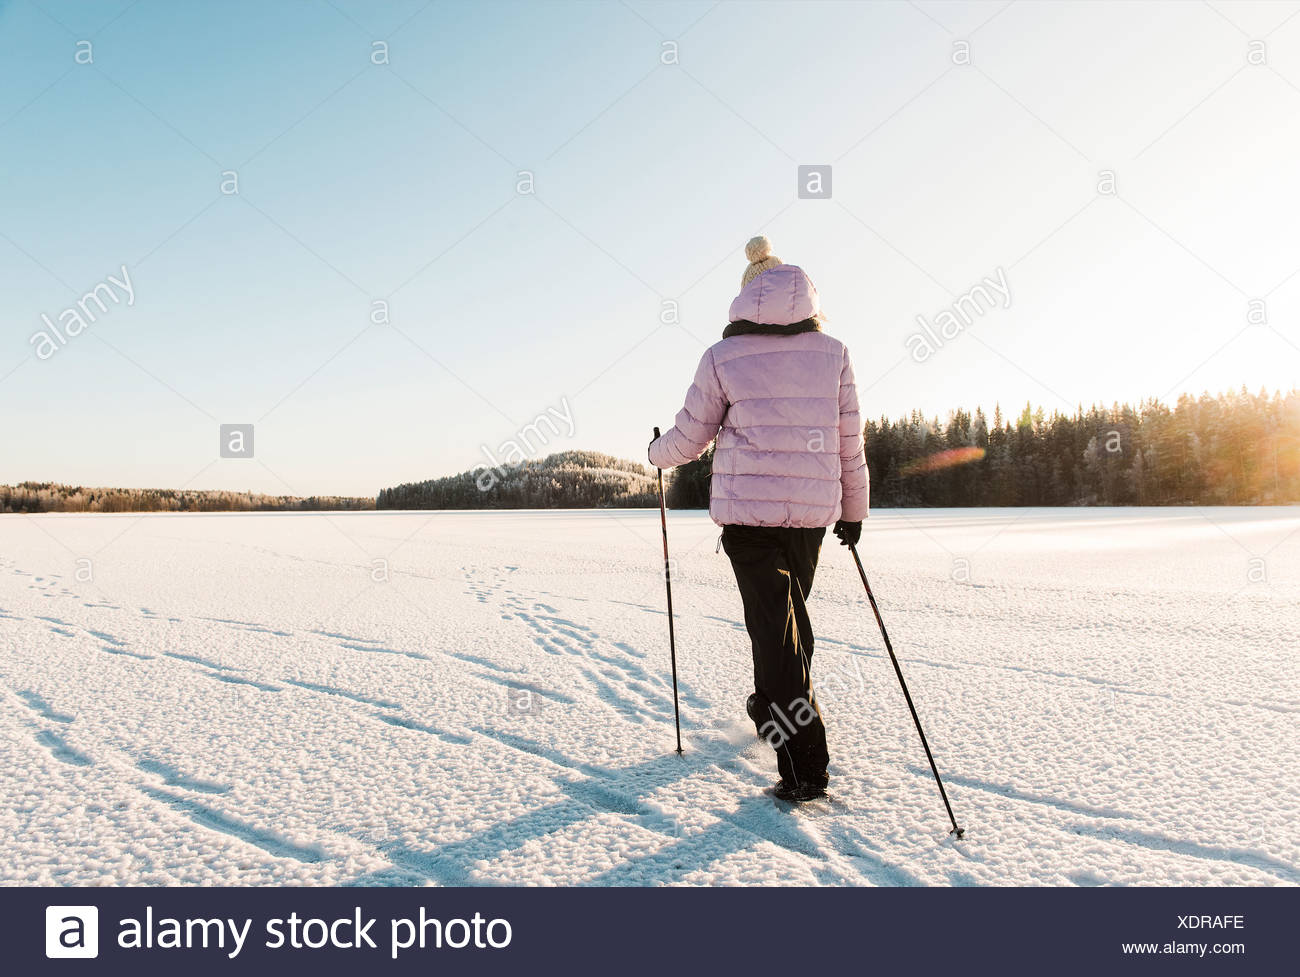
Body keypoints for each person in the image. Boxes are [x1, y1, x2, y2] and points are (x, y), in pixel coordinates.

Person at [648, 236, 869, 802]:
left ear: (746, 298)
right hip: (811, 519)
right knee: (785, 624)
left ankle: (804, 763)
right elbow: (849, 443)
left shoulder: (723, 357)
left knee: (775, 632)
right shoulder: (833, 353)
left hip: (749, 520)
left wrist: (656, 453)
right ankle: (770, 706)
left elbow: (690, 436)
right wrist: (854, 510)